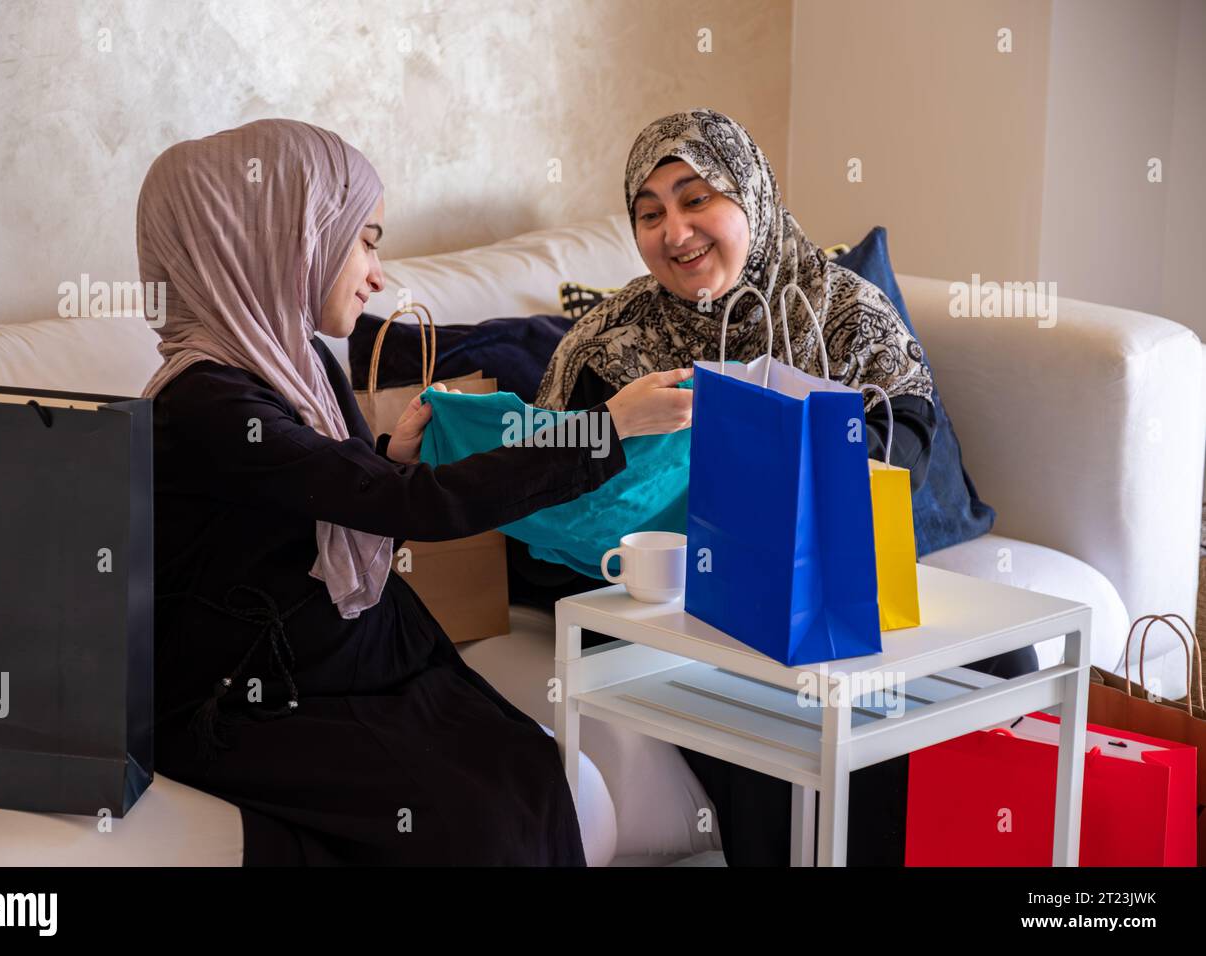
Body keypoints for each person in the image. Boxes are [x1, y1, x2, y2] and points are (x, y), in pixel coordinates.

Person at [139, 118, 691, 865]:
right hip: (254, 701)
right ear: (278, 239)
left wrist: (384, 456)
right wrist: (605, 429)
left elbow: (316, 518)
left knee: (531, 780)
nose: (376, 275)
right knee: (491, 825)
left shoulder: (294, 366)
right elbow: (409, 506)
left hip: (342, 665)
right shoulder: (208, 403)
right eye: (362, 240)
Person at [527, 108, 1038, 865]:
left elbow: (908, 433)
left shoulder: (835, 310)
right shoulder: (609, 342)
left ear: (752, 197)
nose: (675, 232)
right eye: (650, 213)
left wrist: (813, 458)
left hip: (825, 574)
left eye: (697, 198)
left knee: (1005, 665)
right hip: (676, 606)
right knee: (786, 714)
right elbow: (543, 480)